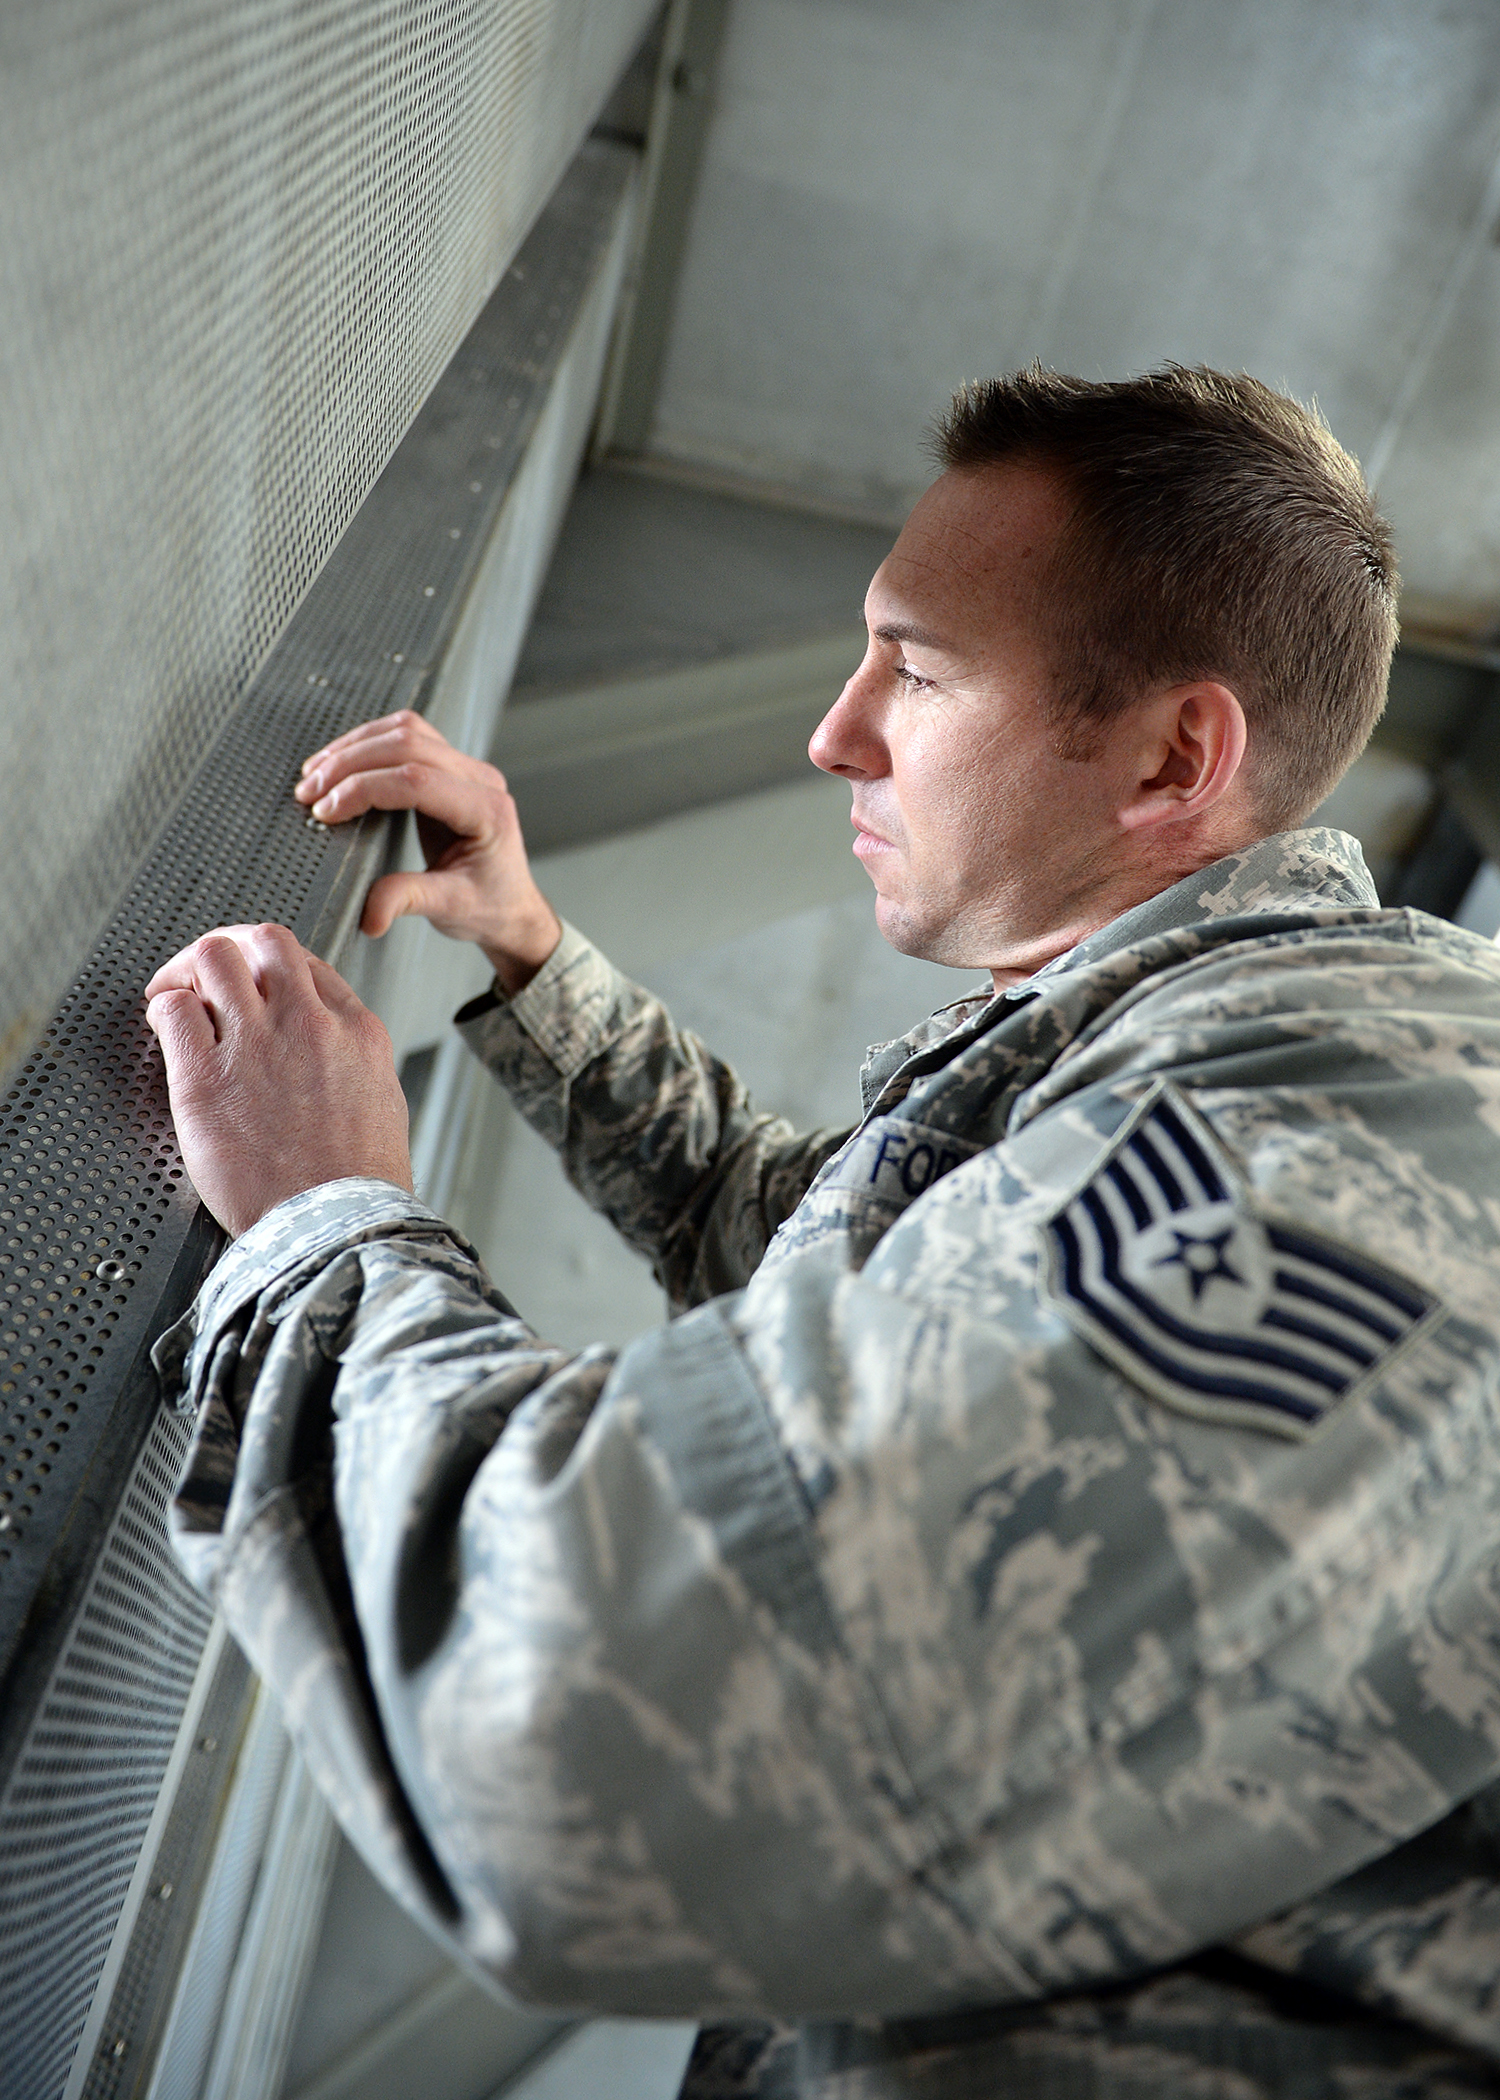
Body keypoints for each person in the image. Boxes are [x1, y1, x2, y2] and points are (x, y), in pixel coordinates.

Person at [144, 367, 1500, 2098]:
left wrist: (330, 1226)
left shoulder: (1375, 1107)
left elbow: (611, 1729)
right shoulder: (1195, 1046)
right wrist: (534, 960)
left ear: (1176, 754)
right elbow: (834, 1261)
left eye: (916, 669)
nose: (835, 731)